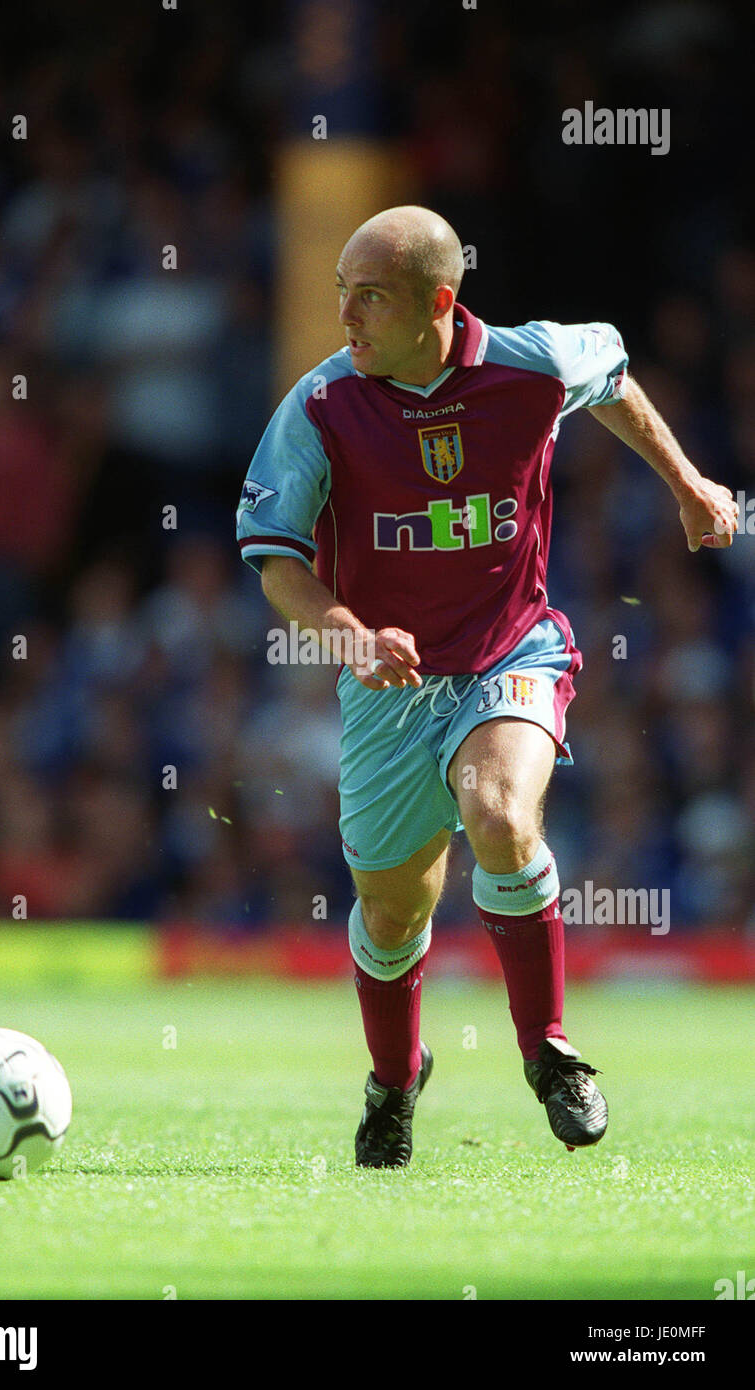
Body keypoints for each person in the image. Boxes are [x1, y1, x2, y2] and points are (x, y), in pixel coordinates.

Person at [236, 206, 738, 1167]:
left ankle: (549, 1053)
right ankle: (393, 1080)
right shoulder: (319, 405)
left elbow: (615, 377)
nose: (346, 317)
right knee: (392, 914)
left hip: (512, 652)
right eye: (341, 294)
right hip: (387, 688)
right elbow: (275, 562)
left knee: (498, 814)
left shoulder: (533, 364)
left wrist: (687, 484)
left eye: (368, 298)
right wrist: (348, 635)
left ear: (437, 301)